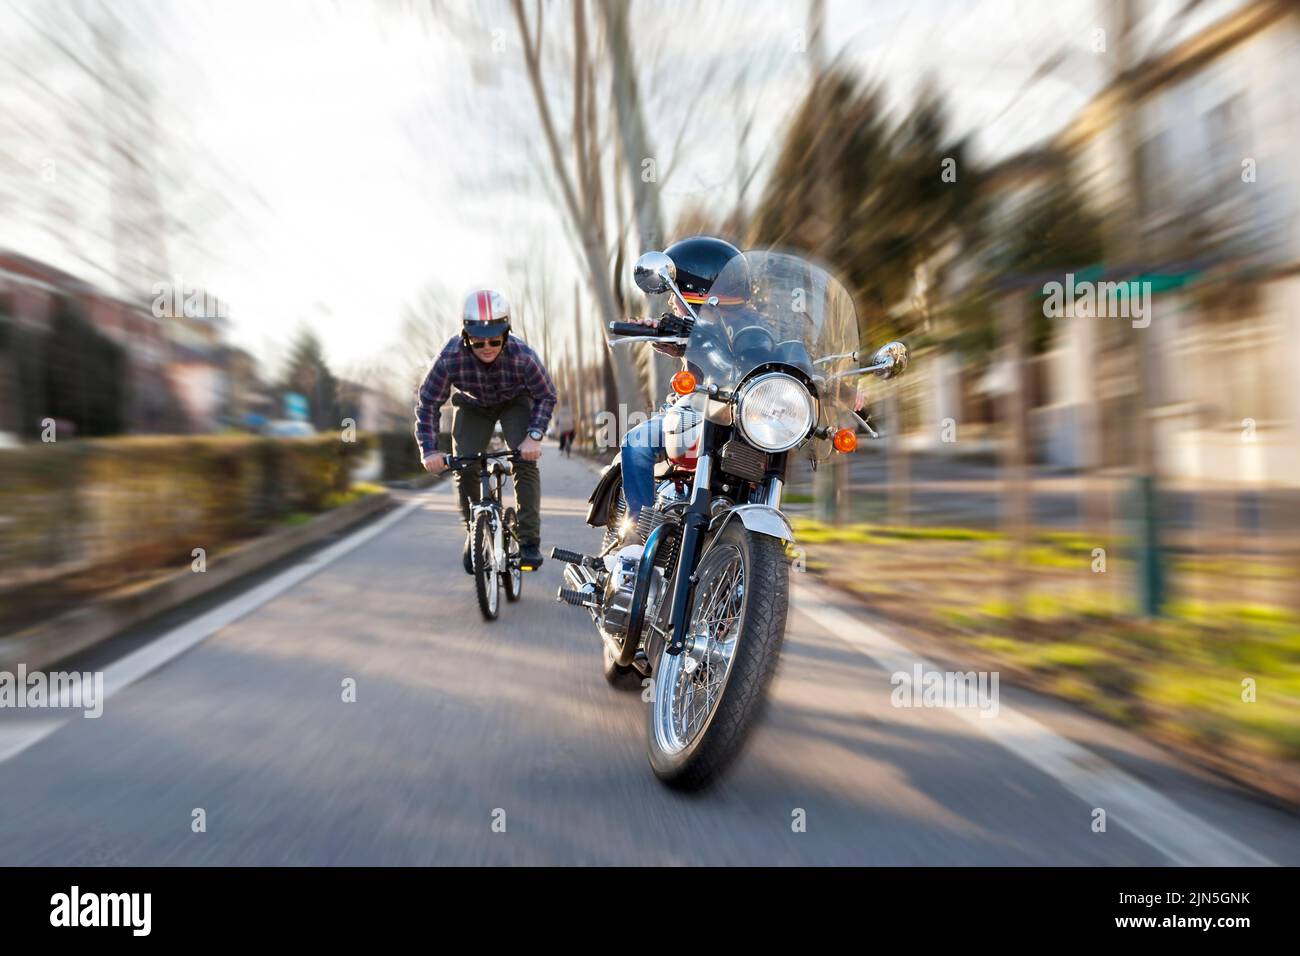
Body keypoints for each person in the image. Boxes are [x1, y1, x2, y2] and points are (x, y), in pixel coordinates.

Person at [618, 236, 754, 535]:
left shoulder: (753, 326)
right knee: (636, 444)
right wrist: (660, 333)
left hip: (745, 420)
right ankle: (637, 533)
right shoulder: (693, 326)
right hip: (694, 414)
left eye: (675, 292)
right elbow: (683, 339)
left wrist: (841, 388)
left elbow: (788, 358)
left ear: (697, 293)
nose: (670, 300)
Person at [414, 289, 557, 572]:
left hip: (515, 402)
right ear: (466, 337)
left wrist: (535, 436)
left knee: (524, 462)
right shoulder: (449, 358)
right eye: (479, 343)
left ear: (506, 334)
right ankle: (475, 533)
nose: (488, 347)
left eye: (495, 340)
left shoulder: (523, 357)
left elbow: (546, 396)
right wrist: (429, 450)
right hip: (472, 406)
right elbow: (428, 402)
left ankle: (529, 541)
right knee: (464, 464)